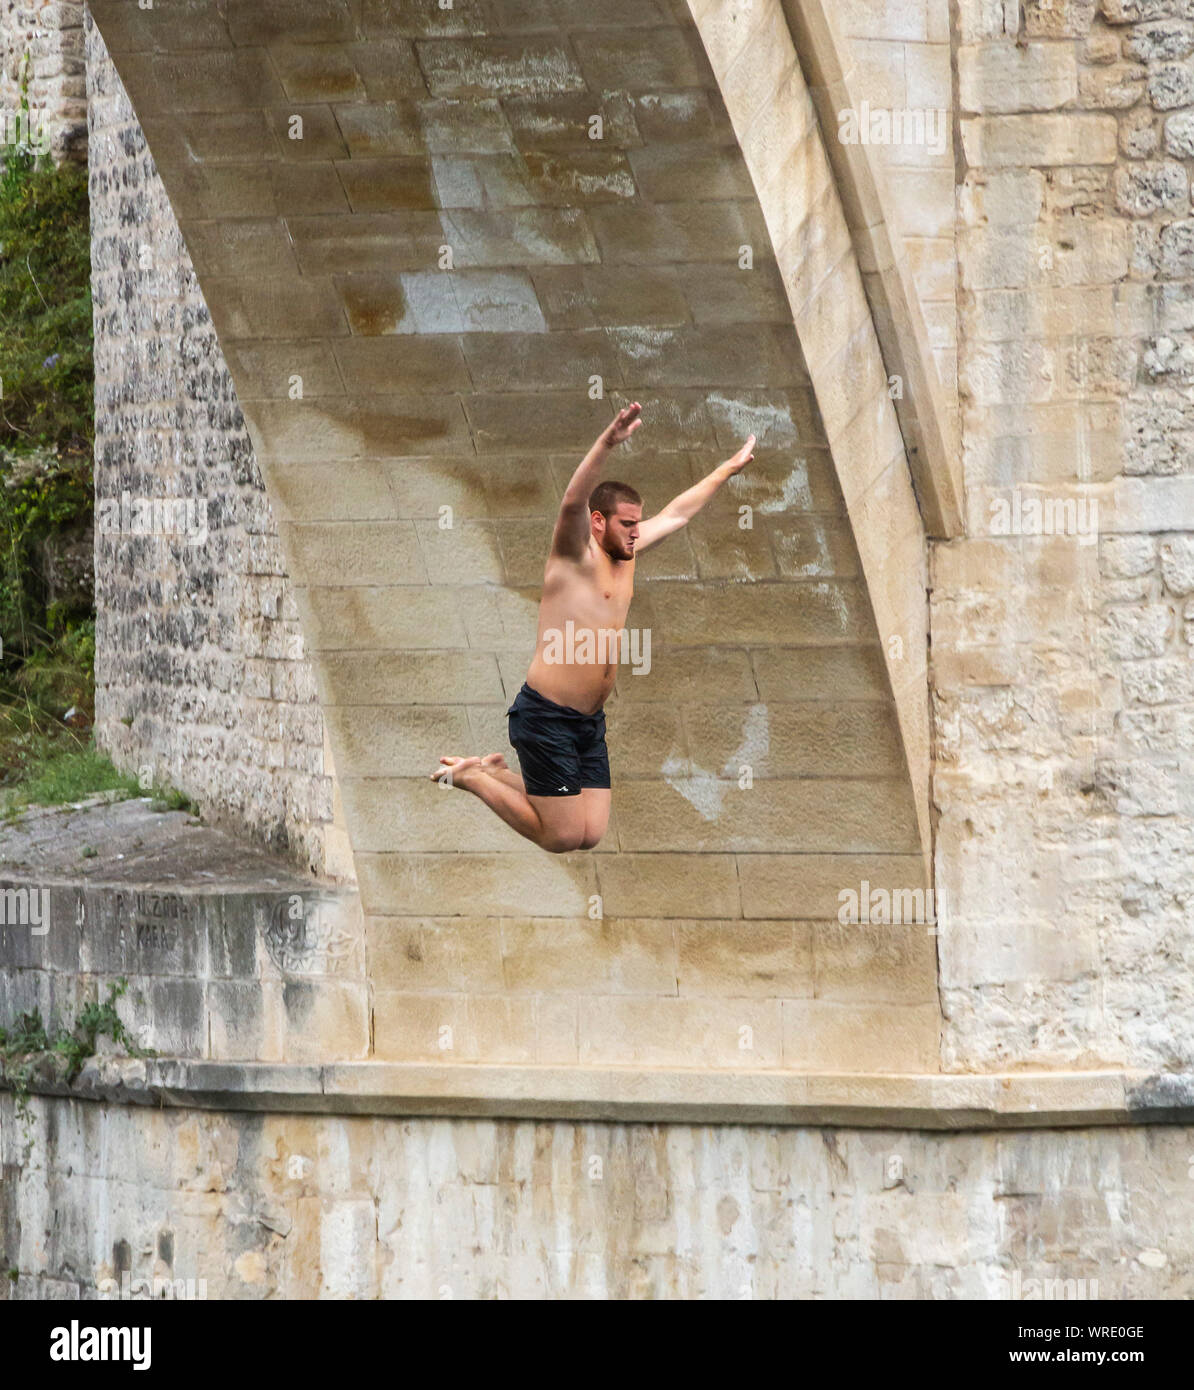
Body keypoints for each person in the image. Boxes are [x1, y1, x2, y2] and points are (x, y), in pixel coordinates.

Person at [432, 402, 755, 852]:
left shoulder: (630, 552)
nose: (636, 533)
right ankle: (472, 777)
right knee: (562, 835)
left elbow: (680, 513)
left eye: (638, 524)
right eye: (627, 524)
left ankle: (495, 771)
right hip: (545, 715)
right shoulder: (572, 558)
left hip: (587, 721)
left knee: (590, 832)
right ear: (598, 522)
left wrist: (726, 469)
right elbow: (570, 503)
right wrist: (607, 443)